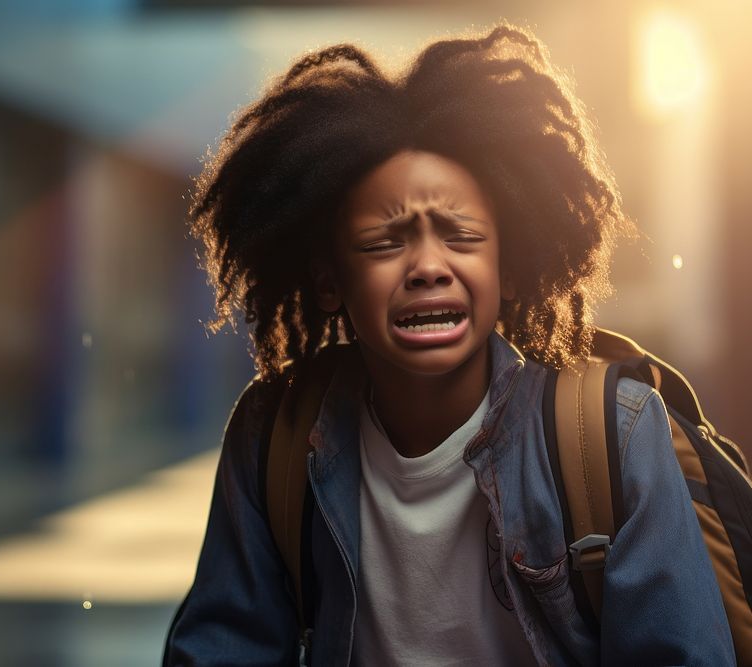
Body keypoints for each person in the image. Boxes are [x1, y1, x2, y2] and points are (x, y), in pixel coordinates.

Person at [162, 22, 735, 666]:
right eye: (385, 241)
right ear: (329, 280)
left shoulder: (614, 435)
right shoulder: (275, 437)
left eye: (461, 236)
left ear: (509, 269)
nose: (428, 265)